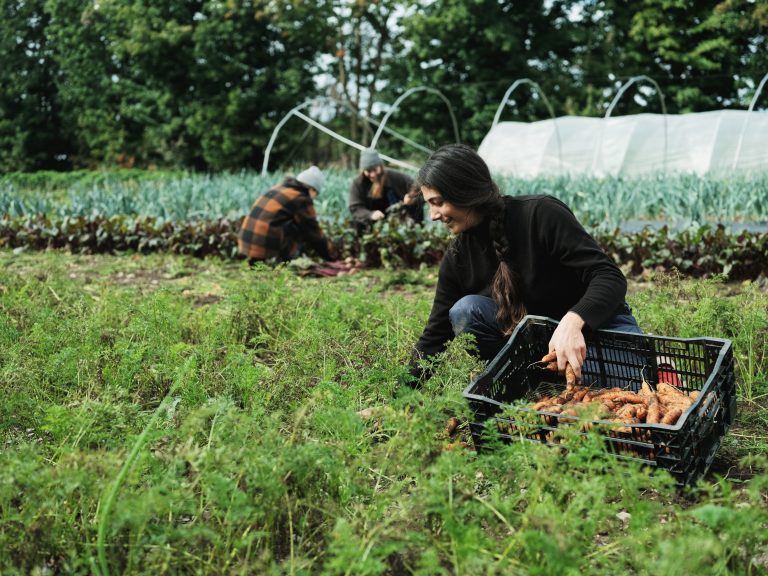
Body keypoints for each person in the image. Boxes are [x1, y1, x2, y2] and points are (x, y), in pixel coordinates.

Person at [408, 143, 641, 384]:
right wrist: (400, 399)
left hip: (599, 332)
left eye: (437, 202)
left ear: (464, 191)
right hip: (543, 349)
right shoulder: (458, 257)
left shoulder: (540, 214)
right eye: (429, 204)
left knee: (634, 384)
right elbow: (435, 336)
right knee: (466, 310)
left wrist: (573, 321)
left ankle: (569, 377)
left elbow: (608, 276)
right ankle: (535, 379)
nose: (433, 215)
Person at [238, 165, 336, 264]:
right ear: (312, 189)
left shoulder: (279, 188)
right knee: (300, 227)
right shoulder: (301, 198)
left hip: (246, 243)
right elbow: (312, 231)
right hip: (262, 247)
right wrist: (329, 256)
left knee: (288, 221)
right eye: (316, 193)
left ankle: (256, 261)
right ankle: (283, 261)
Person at [348, 148, 424, 232]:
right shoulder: (358, 183)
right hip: (373, 225)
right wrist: (370, 215)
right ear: (363, 170)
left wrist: (412, 200)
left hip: (399, 222)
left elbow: (419, 191)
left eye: (375, 169)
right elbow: (355, 207)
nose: (372, 174)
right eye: (368, 171)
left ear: (380, 166)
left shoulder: (396, 177)